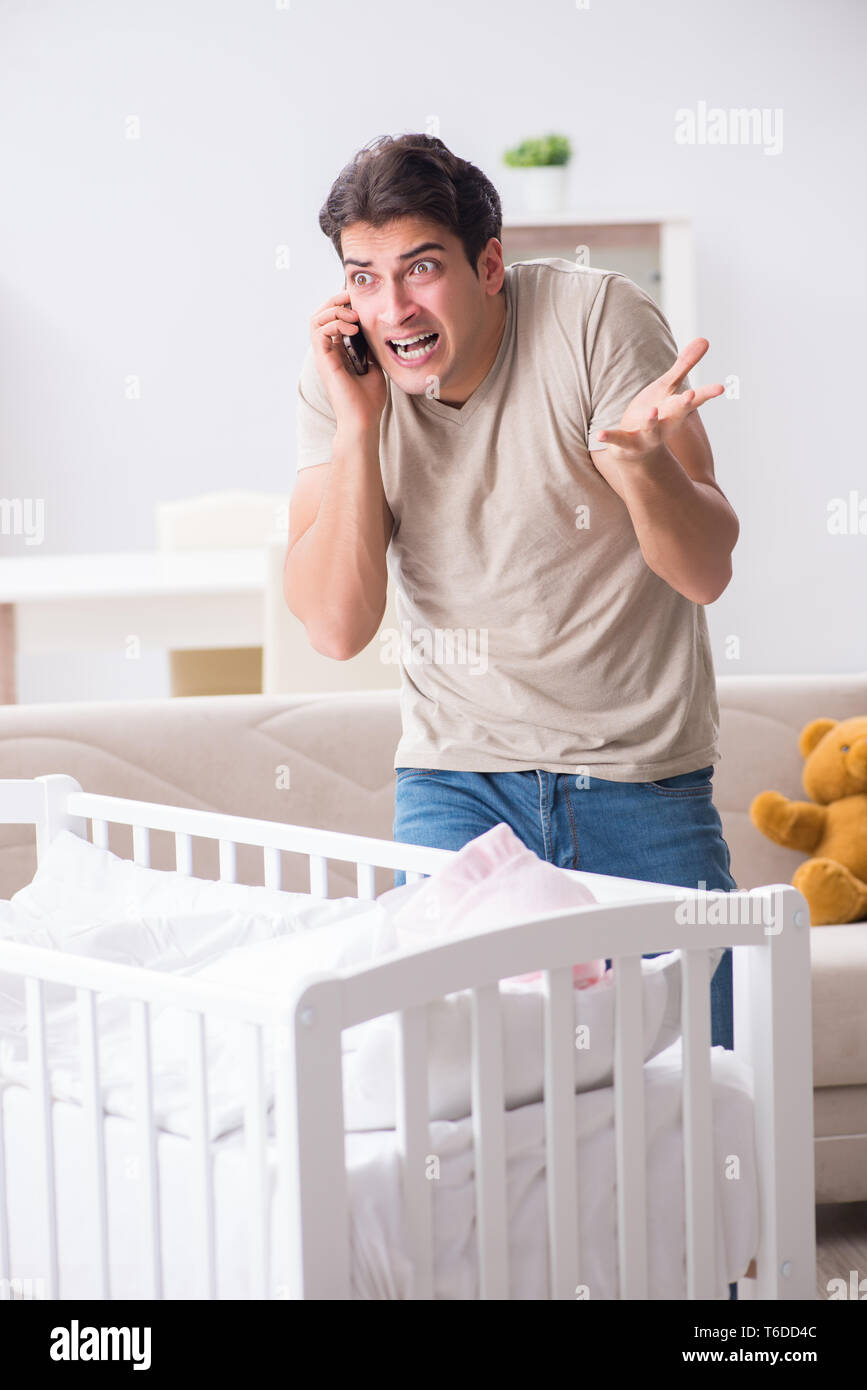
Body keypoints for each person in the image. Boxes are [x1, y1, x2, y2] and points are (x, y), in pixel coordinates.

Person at [286, 132, 740, 1054]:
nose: (391, 307)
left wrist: (642, 466)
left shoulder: (596, 320)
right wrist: (358, 427)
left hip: (639, 781)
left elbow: (704, 570)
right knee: (467, 1096)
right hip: (457, 781)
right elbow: (336, 627)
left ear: (488, 264)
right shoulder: (345, 382)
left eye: (420, 269)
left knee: (700, 1091)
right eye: (363, 277)